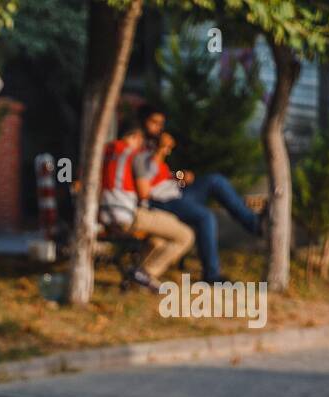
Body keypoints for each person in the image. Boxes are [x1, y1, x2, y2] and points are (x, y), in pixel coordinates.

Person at [135, 105, 264, 283]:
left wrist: (181, 176)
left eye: (161, 124)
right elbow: (146, 182)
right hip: (159, 201)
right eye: (154, 122)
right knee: (205, 217)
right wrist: (160, 151)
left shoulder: (154, 145)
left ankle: (256, 225)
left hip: (174, 191)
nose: (158, 127)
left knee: (215, 181)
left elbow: (165, 175)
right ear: (142, 122)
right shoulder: (137, 146)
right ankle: (212, 275)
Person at [99, 119, 194, 292]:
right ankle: (145, 274)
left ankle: (137, 279)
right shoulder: (136, 156)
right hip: (128, 214)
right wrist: (177, 175)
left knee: (158, 241)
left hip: (102, 214)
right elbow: (146, 190)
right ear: (136, 137)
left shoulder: (101, 152)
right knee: (185, 235)